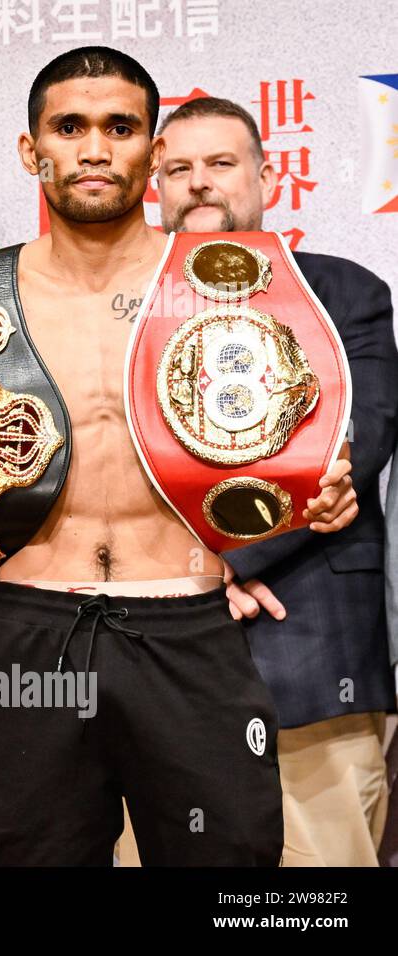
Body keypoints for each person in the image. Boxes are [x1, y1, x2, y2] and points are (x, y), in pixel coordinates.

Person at [0, 47, 358, 866]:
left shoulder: (226, 282)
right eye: (68, 126)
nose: (92, 148)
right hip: (32, 633)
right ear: (29, 149)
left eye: (119, 127)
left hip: (188, 627)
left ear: (152, 153)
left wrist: (321, 494)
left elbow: (299, 444)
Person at [145, 96, 397, 866]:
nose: (199, 184)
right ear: (156, 187)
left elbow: (353, 440)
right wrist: (185, 571)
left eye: (220, 164)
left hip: (311, 638)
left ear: (267, 175)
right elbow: (104, 459)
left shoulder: (343, 291)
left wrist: (226, 561)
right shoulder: (122, 307)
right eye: (178, 169)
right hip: (152, 650)